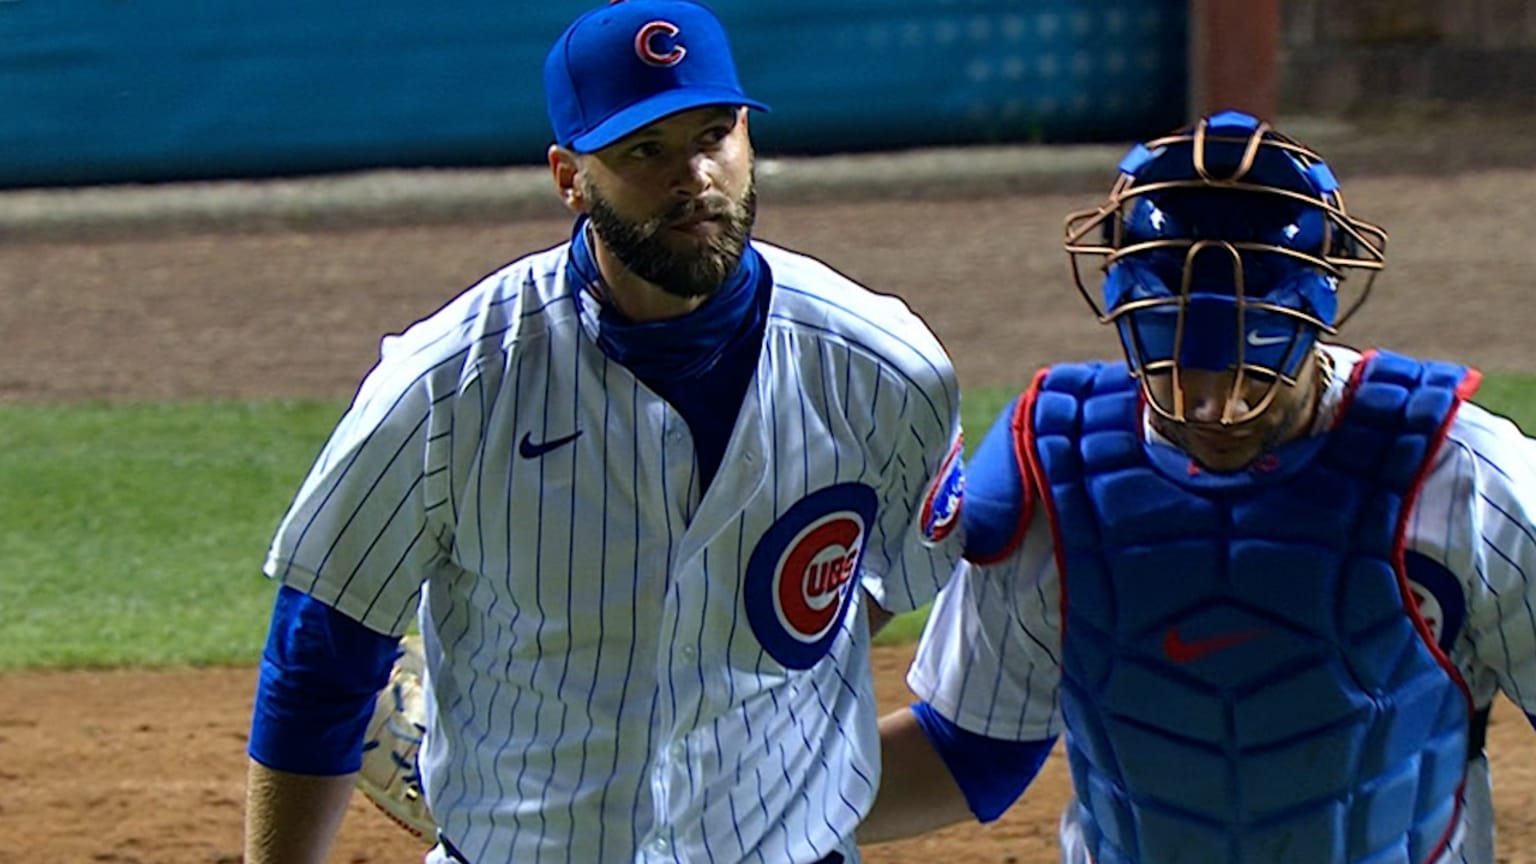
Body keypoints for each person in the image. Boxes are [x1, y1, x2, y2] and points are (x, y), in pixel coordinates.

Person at [240, 2, 966, 862]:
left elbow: (881, 579)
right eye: (644, 151)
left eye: (712, 135)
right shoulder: (450, 384)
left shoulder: (887, 369)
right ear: (570, 178)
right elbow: (320, 661)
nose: (693, 177)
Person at [860, 109, 1536, 864]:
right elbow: (971, 751)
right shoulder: (1057, 479)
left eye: (1250, 371)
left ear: (1317, 313)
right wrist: (738, 817)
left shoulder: (1466, 476)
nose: (1210, 406)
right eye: (1177, 363)